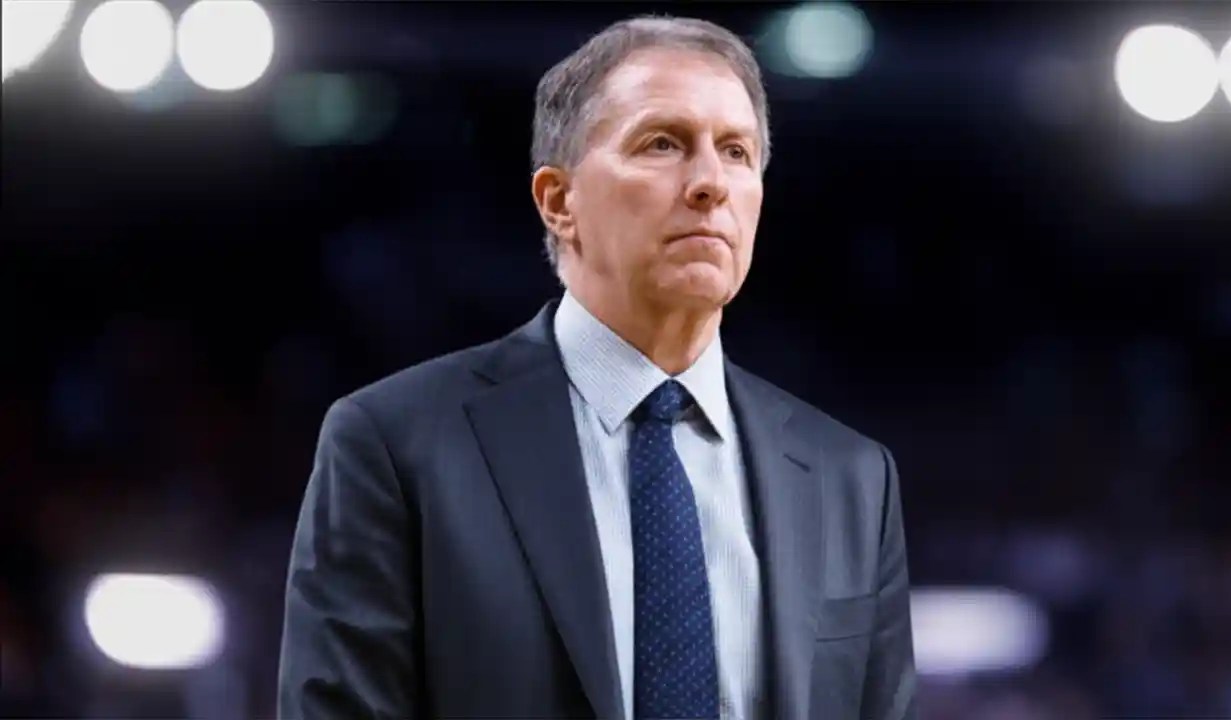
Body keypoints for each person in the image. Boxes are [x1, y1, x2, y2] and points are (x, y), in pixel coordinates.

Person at [278, 14, 916, 720]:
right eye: (664, 143)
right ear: (559, 201)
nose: (711, 183)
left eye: (736, 152)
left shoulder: (852, 478)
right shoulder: (395, 445)